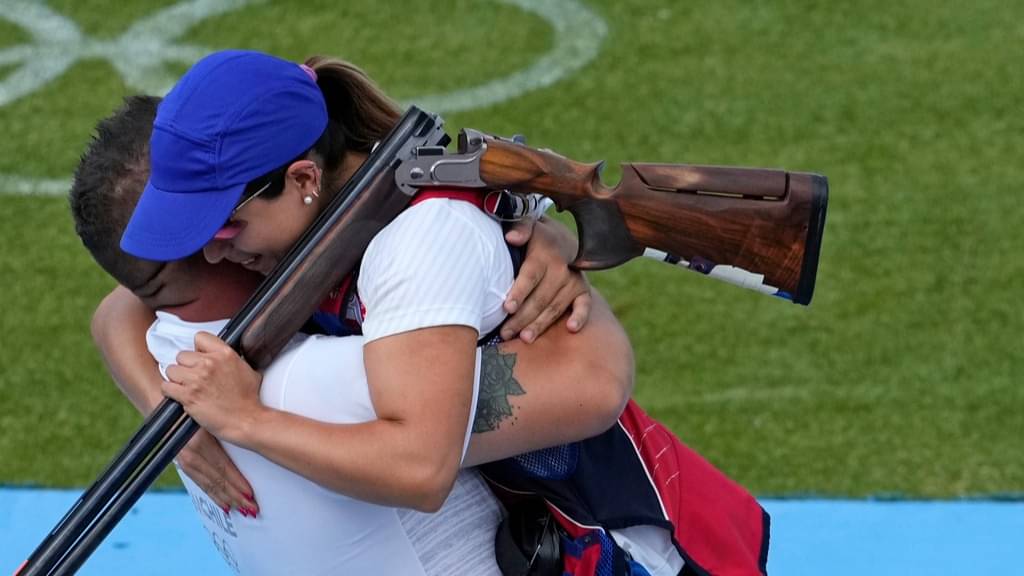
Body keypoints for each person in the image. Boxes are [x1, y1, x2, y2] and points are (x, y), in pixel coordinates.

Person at [94, 50, 770, 575]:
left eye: (225, 227)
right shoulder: (325, 207)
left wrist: (245, 418)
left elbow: (419, 469)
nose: (210, 257)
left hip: (624, 544)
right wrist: (170, 413)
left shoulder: (418, 244)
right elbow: (121, 305)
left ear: (302, 180)